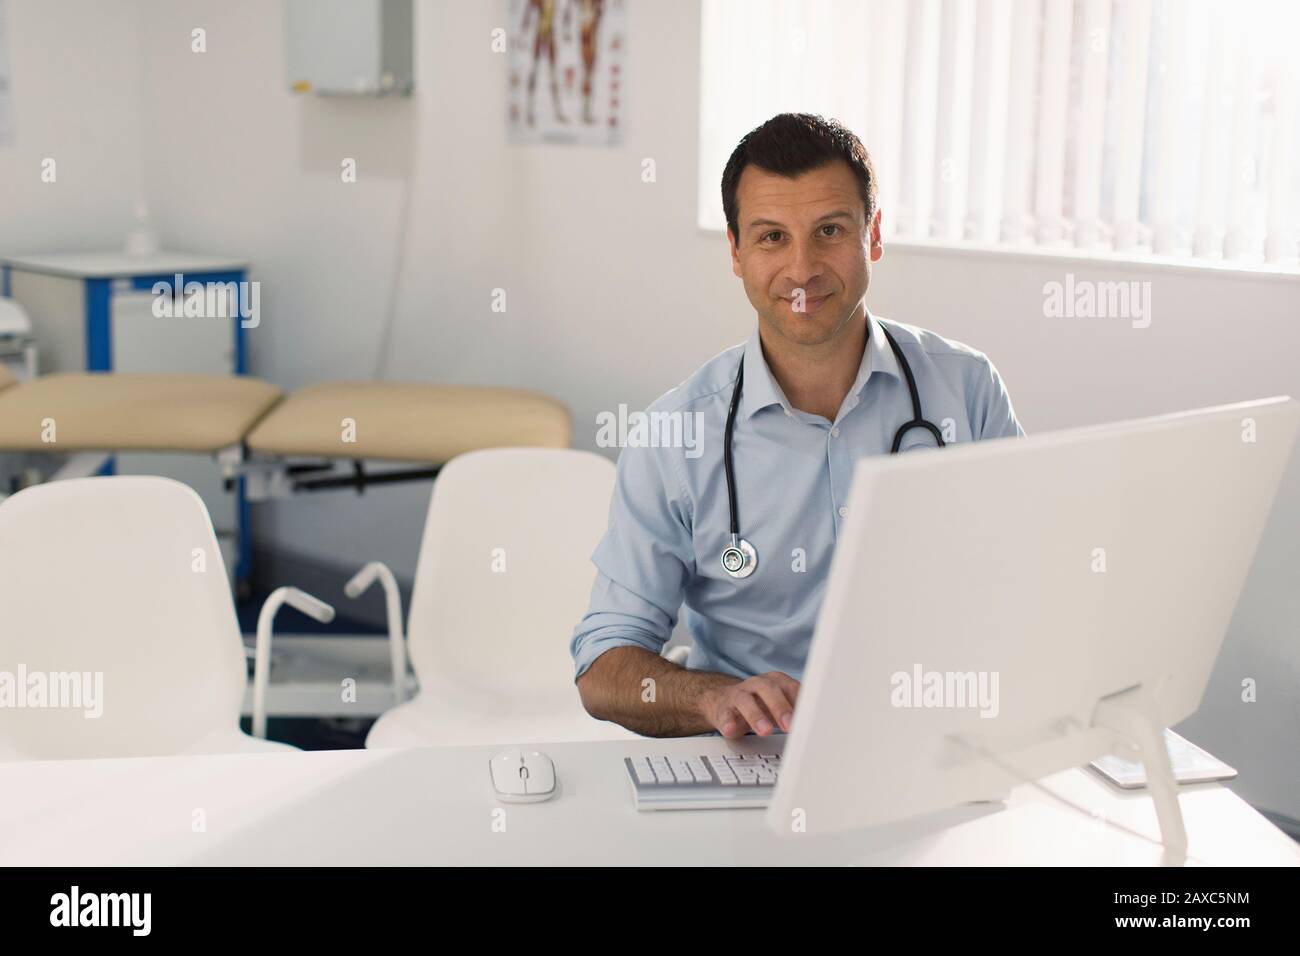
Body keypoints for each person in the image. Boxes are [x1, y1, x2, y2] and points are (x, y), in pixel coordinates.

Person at [571, 113, 1024, 739]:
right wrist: (714, 697)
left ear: (874, 236)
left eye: (830, 230)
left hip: (933, 741)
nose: (803, 268)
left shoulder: (967, 391)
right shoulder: (675, 435)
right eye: (772, 238)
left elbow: (1025, 587)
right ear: (735, 252)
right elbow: (603, 666)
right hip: (755, 761)